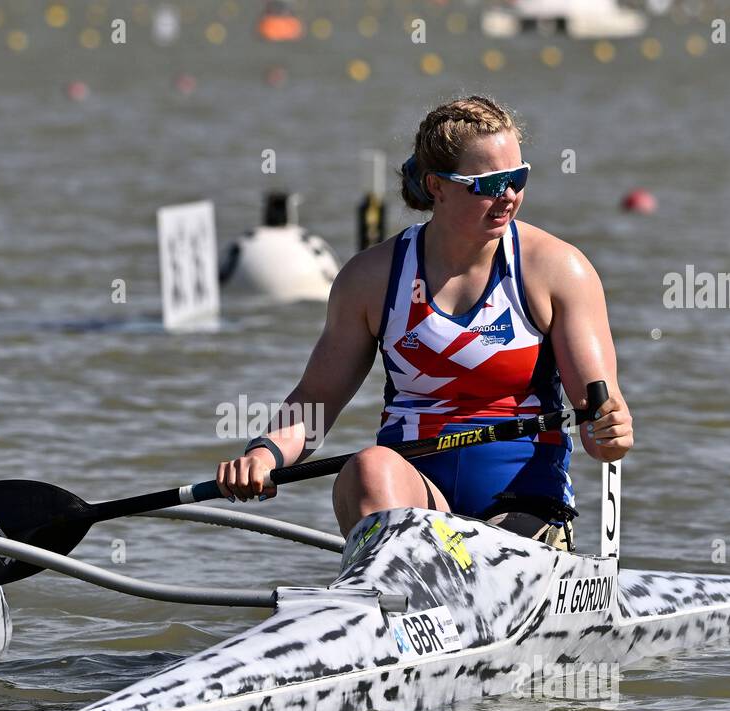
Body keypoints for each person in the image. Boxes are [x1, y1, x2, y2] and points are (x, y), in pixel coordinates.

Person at [216, 94, 633, 547]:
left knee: (482, 547)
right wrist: (265, 452)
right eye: (489, 183)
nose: (509, 195)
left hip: (523, 508)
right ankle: (400, 583)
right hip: (417, 499)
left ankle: (416, 578)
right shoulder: (371, 278)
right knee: (367, 467)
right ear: (437, 186)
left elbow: (599, 419)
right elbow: (317, 398)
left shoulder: (556, 270)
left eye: (518, 178)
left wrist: (610, 431)